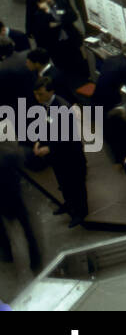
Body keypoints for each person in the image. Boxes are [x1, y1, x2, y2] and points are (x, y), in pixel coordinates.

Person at [30, 76, 88, 227]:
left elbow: (67, 136)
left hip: (70, 155)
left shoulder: (63, 109)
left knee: (75, 184)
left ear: (51, 92)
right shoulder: (44, 105)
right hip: (57, 155)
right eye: (36, 94)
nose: (37, 97)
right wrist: (39, 141)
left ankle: (81, 212)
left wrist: (48, 148)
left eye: (40, 94)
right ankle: (69, 204)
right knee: (63, 181)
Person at [0, 140, 41, 270]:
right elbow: (20, 157)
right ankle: (34, 257)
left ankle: (8, 253)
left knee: (4, 229)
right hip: (13, 195)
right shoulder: (6, 151)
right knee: (26, 226)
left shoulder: (6, 151)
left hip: (9, 196)